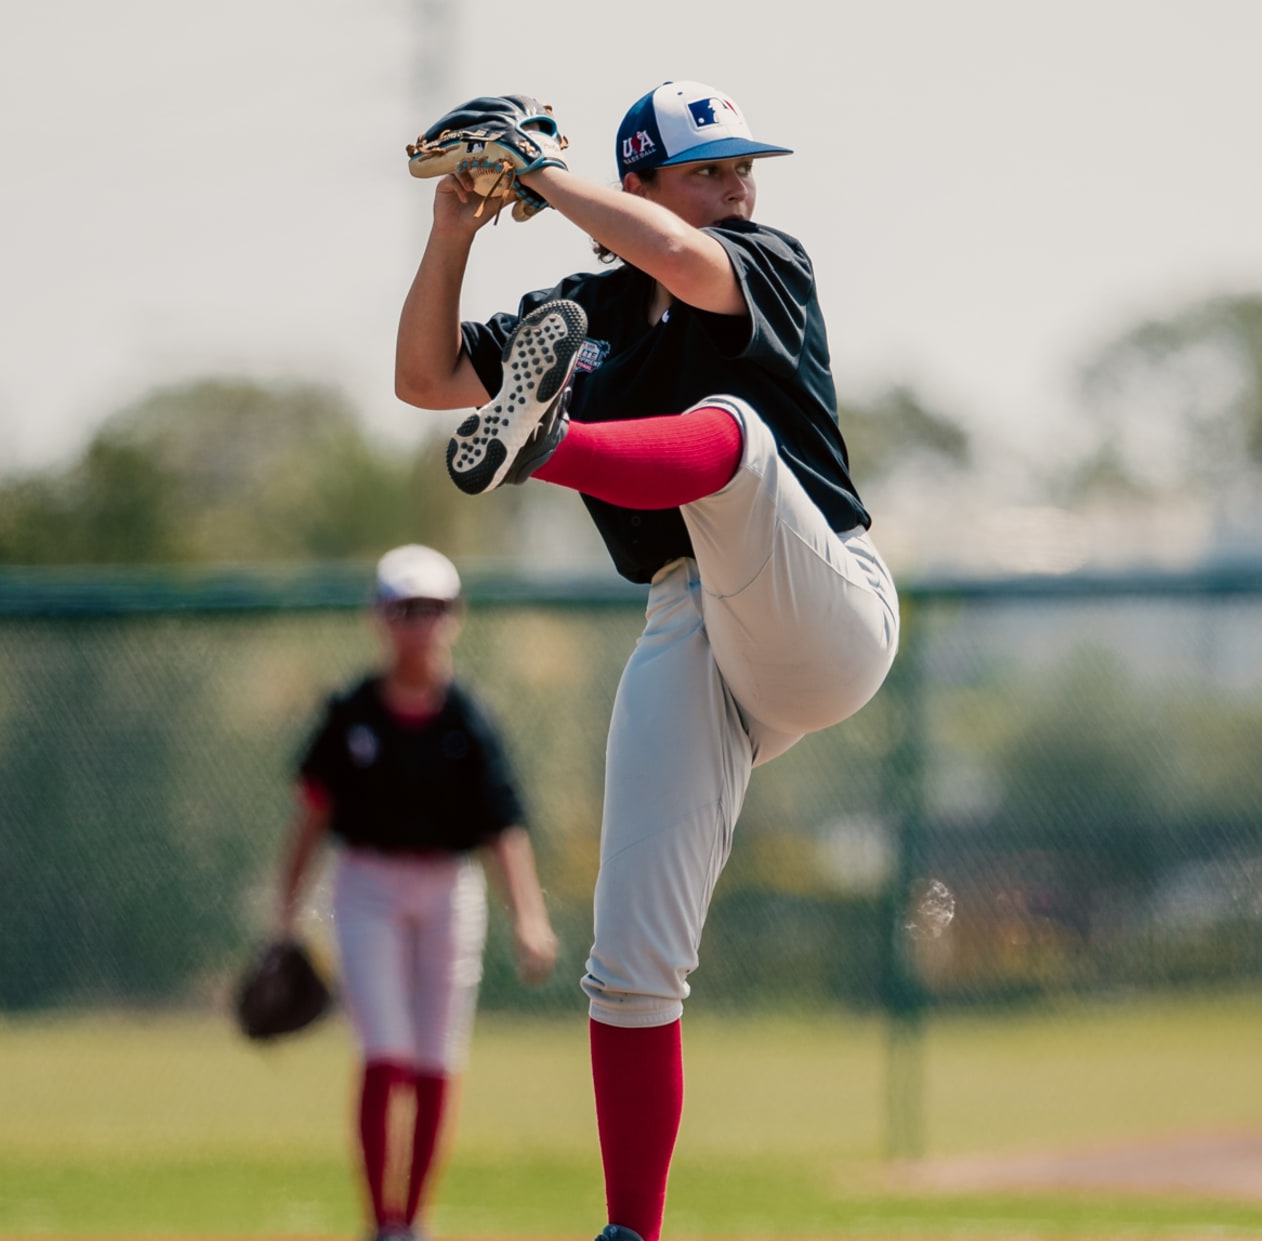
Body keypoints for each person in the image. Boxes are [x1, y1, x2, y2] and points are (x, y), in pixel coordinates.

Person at [394, 81, 900, 1241]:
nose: (739, 187)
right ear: (640, 177)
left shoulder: (761, 258)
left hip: (820, 605)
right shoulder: (583, 310)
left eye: (741, 168)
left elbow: (678, 252)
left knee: (739, 441)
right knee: (628, 963)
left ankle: (548, 444)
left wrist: (533, 173)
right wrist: (453, 231)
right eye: (710, 169)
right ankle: (632, 1232)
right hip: (690, 619)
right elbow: (423, 378)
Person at [274, 543, 560, 1241]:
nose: (421, 622)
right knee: (386, 1050)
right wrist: (283, 916)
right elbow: (311, 813)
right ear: (379, 616)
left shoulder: (469, 718)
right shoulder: (352, 713)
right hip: (367, 883)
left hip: (447, 886)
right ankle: (381, 1222)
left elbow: (503, 824)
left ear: (455, 617)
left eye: (434, 608)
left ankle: (413, 1222)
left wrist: (529, 915)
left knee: (436, 1055)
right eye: (406, 608)